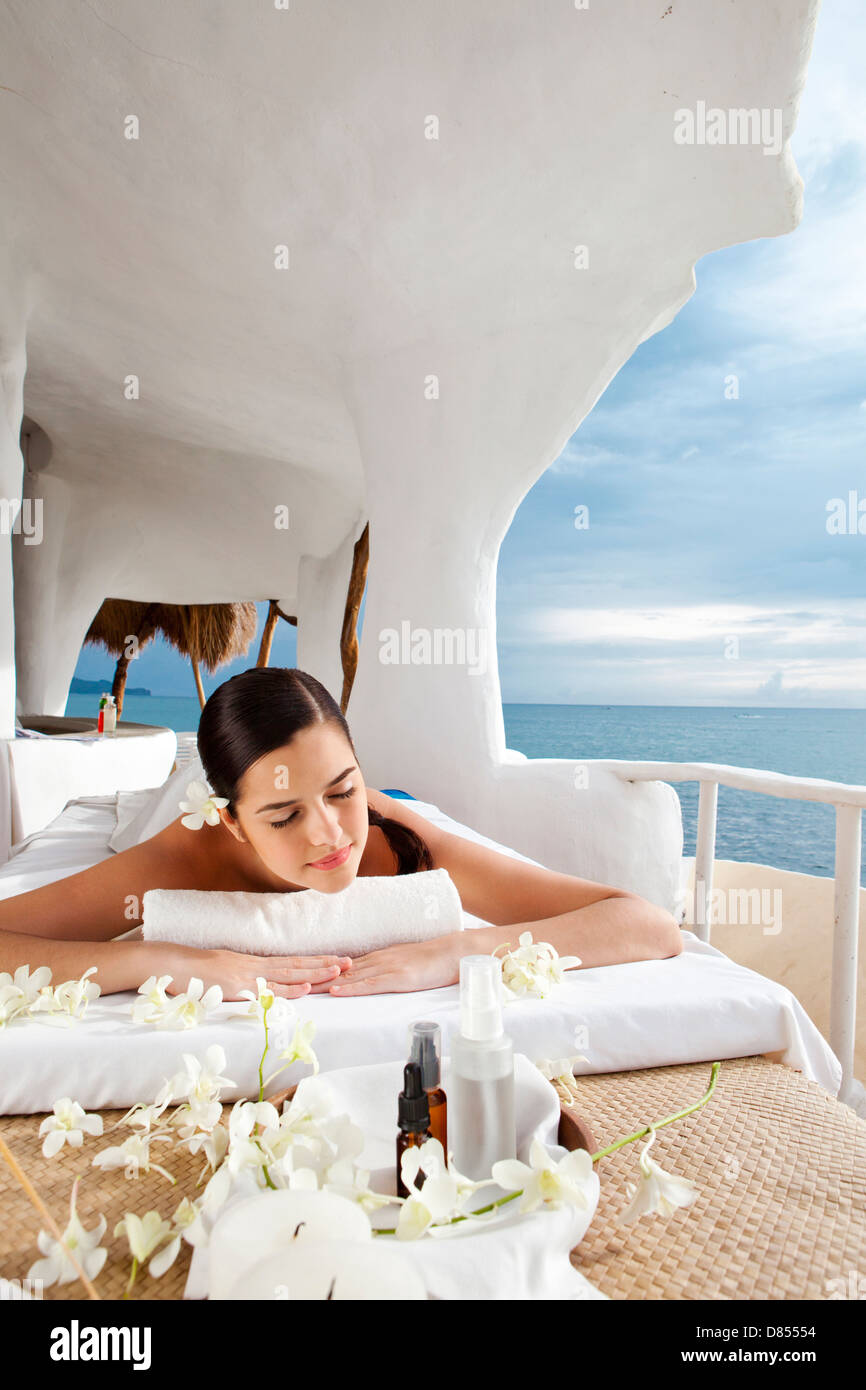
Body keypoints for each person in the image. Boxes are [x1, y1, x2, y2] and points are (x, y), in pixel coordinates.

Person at [0, 667, 681, 1001]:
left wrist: (462, 951)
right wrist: (171, 961)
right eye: (285, 814)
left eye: (340, 791)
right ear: (235, 823)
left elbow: (647, 925)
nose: (330, 835)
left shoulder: (393, 837)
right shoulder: (185, 854)